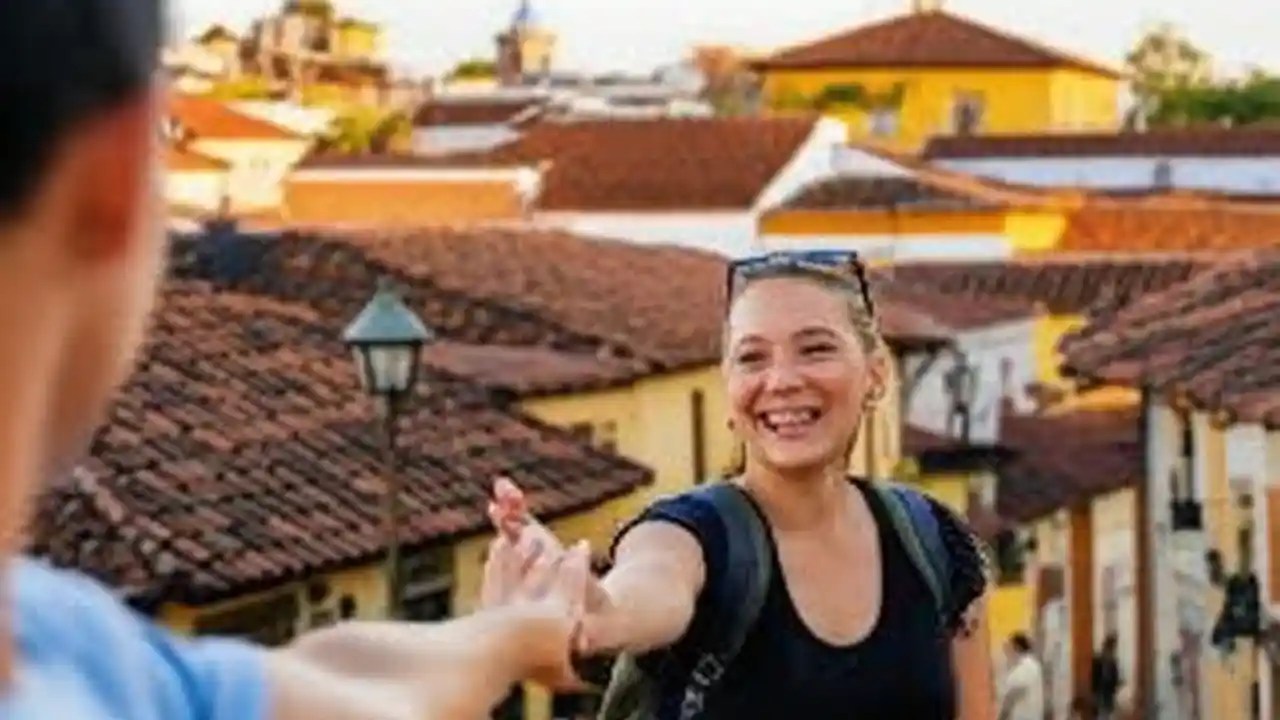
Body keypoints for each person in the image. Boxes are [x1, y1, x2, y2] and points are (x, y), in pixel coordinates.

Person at [0, 2, 588, 718]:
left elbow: (339, 683)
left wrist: (514, 635)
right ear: (120, 167)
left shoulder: (56, 636)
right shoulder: (59, 643)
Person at [482, 250, 997, 718]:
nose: (782, 380)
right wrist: (599, 612)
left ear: (876, 374)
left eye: (815, 349)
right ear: (729, 387)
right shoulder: (691, 534)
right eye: (753, 358)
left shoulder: (933, 542)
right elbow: (653, 583)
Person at [998, 633, 1046, 720]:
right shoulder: (1033, 665)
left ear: (1017, 648)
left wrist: (1002, 717)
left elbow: (1010, 697)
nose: (1006, 653)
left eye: (1008, 648)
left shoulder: (1025, 667)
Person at [1091, 634, 1122, 720]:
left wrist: (1117, 685)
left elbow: (1115, 678)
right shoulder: (1098, 660)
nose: (1111, 651)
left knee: (1107, 713)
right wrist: (1094, 693)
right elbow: (1094, 677)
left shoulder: (1113, 662)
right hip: (1100, 692)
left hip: (1109, 693)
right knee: (1101, 714)